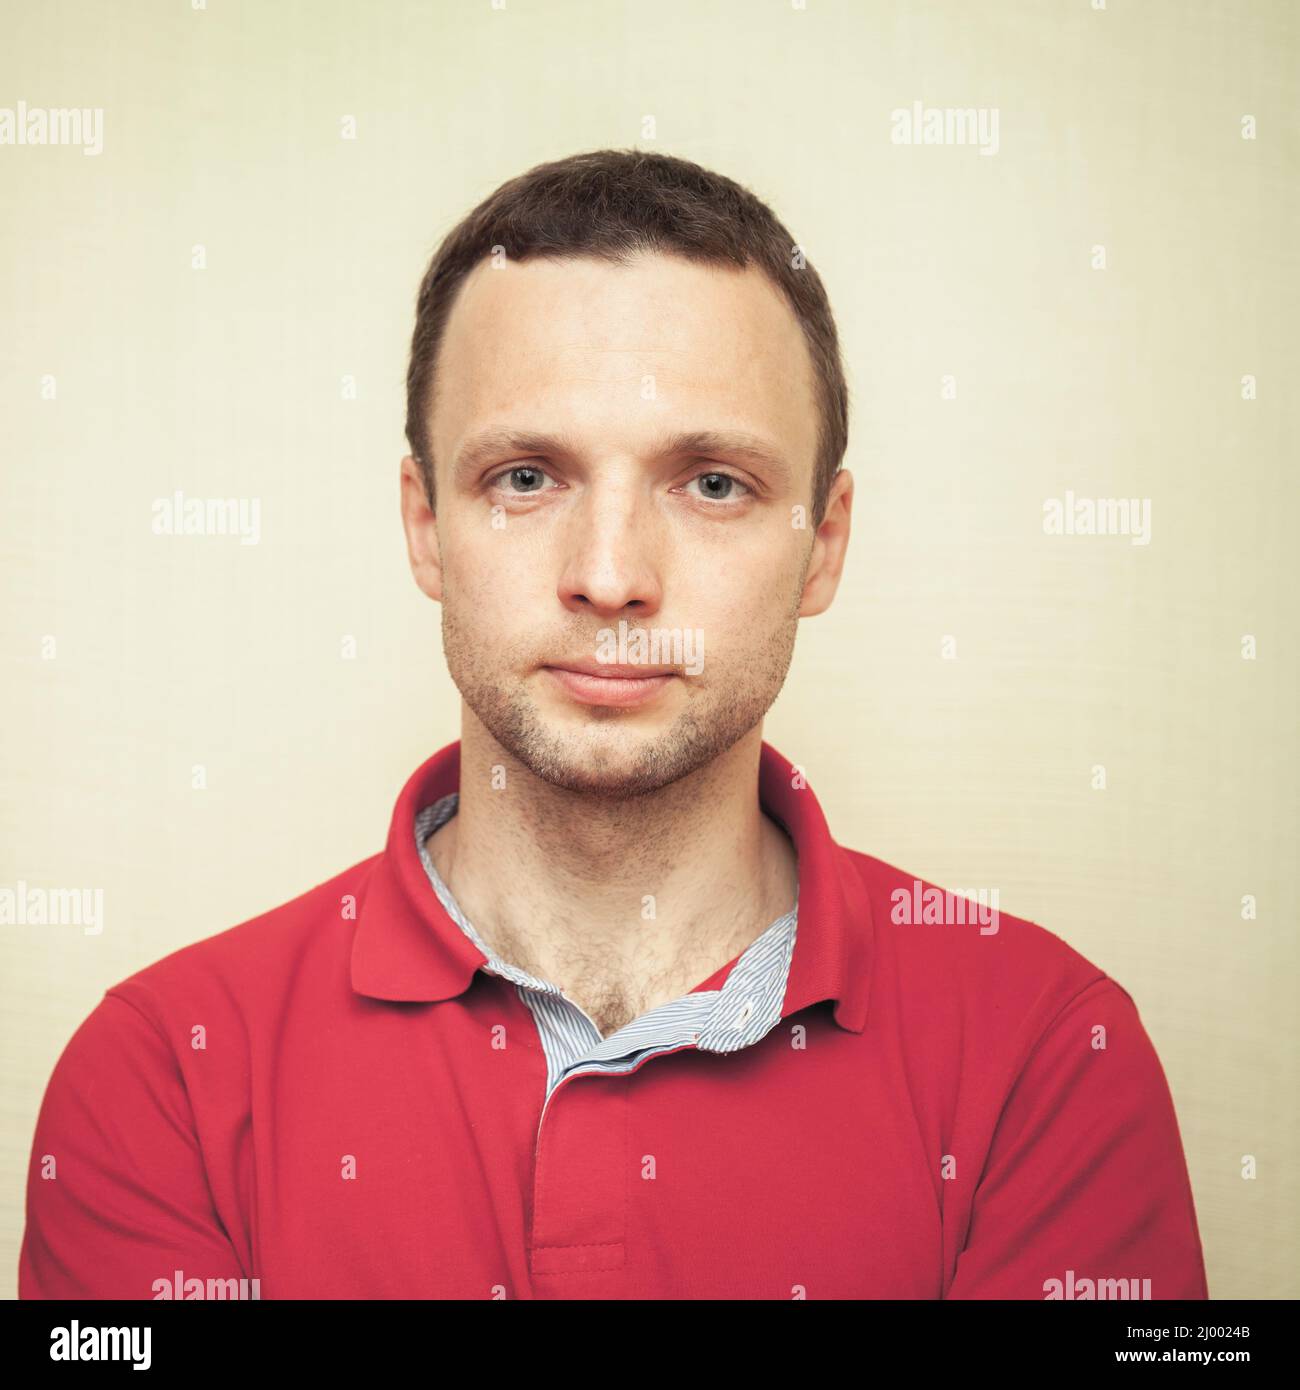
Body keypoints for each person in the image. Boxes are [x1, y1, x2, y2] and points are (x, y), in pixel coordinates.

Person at [19, 149, 1208, 1299]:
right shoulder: (165, 1075)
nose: (608, 576)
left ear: (822, 545)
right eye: (526, 477)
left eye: (712, 483)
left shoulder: (1048, 1059)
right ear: (425, 524)